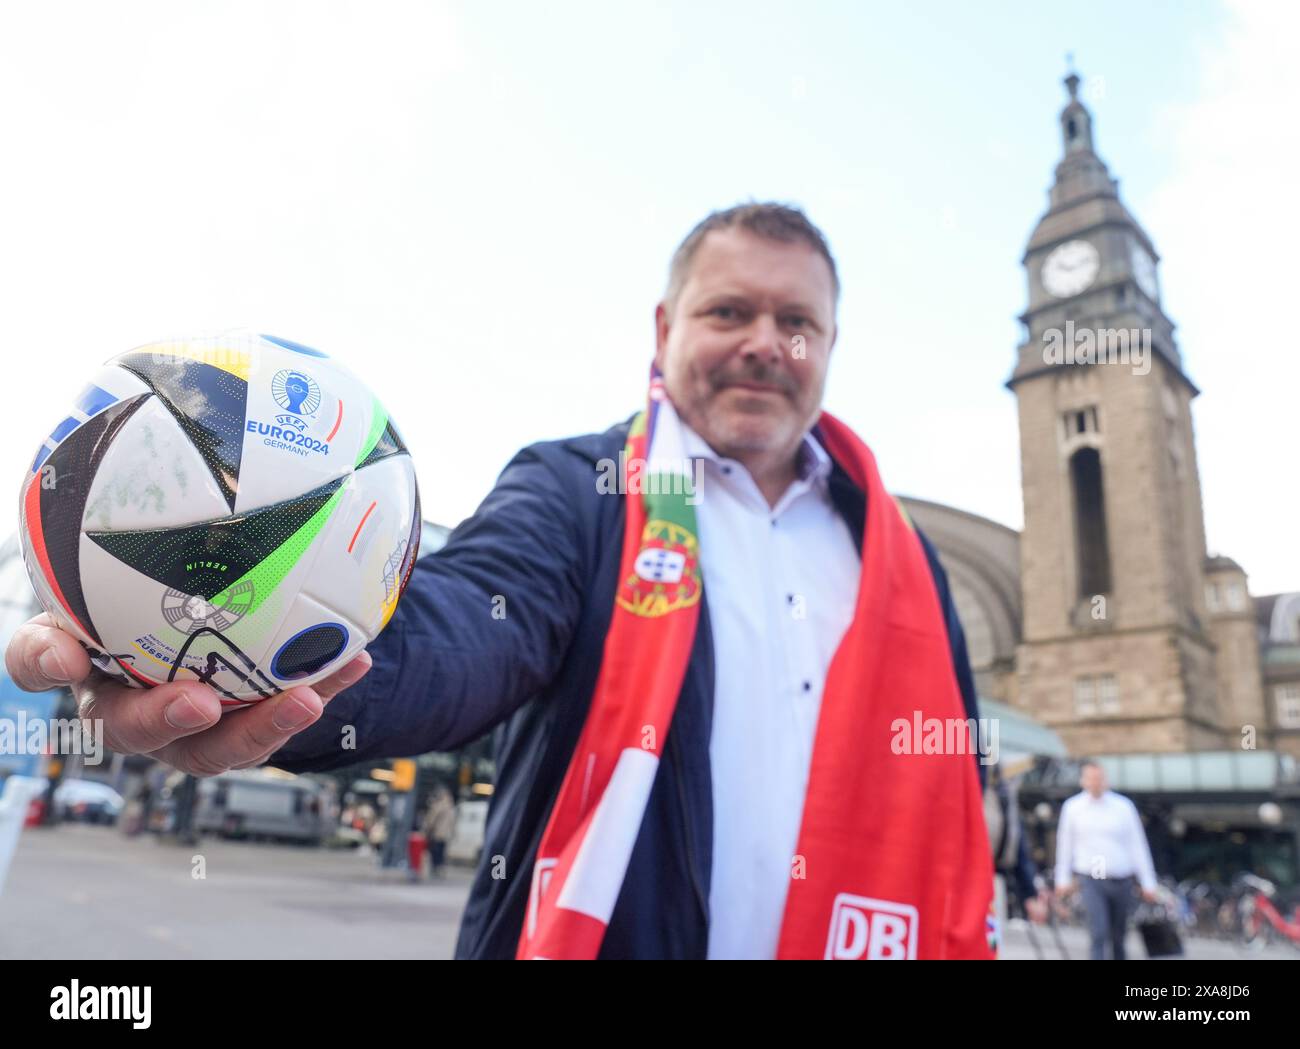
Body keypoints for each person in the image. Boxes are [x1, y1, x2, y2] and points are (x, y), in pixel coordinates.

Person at [6, 202, 995, 960]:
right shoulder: (581, 491)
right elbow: (460, 632)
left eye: (796, 321)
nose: (762, 343)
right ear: (663, 327)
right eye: (728, 310)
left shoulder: (902, 559)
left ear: (827, 345)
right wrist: (253, 664)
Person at [1052, 760, 1159, 960]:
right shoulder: (1073, 807)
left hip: (1121, 877)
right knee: (1098, 932)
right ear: (1083, 781)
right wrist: (1062, 879)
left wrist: (1148, 882)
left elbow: (1137, 846)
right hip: (1091, 877)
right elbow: (1065, 845)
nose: (1095, 783)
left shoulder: (1123, 807)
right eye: (1091, 779)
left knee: (1119, 937)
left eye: (1099, 778)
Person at [422, 786, 456, 878]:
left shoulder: (438, 806)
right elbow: (453, 823)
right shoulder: (451, 808)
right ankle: (440, 869)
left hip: (437, 833)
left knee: (435, 852)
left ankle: (435, 869)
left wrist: (427, 830)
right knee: (441, 852)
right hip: (446, 835)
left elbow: (431, 820)